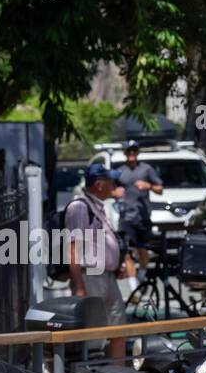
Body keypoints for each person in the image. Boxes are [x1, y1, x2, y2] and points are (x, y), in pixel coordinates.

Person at [65, 163, 127, 361]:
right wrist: (79, 286)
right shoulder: (79, 207)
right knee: (93, 334)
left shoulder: (98, 206)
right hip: (91, 275)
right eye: (111, 182)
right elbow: (72, 248)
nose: (114, 185)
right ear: (99, 184)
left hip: (107, 276)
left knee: (118, 329)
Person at [115, 141, 163, 276]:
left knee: (142, 250)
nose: (131, 154)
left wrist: (148, 186)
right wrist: (115, 194)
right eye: (129, 151)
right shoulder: (119, 172)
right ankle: (133, 286)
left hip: (142, 217)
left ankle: (142, 272)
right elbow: (111, 191)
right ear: (124, 153)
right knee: (127, 252)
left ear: (137, 153)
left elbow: (160, 189)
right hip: (125, 217)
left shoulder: (146, 169)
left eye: (134, 151)